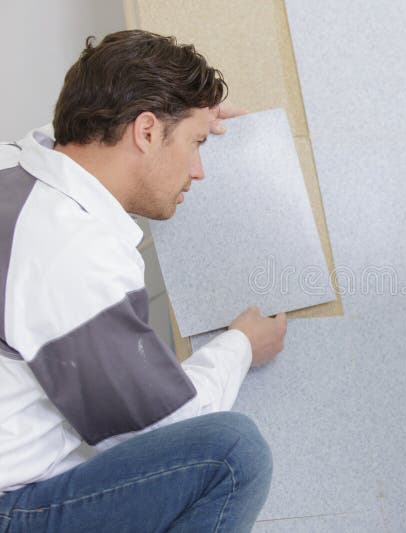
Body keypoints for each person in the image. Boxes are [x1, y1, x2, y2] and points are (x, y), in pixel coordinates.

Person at [0, 30, 287, 532]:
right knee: (232, 454)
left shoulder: (15, 168)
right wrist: (242, 345)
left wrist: (189, 115)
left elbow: (84, 137)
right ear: (147, 132)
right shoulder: (72, 253)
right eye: (196, 145)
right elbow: (163, 428)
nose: (198, 170)